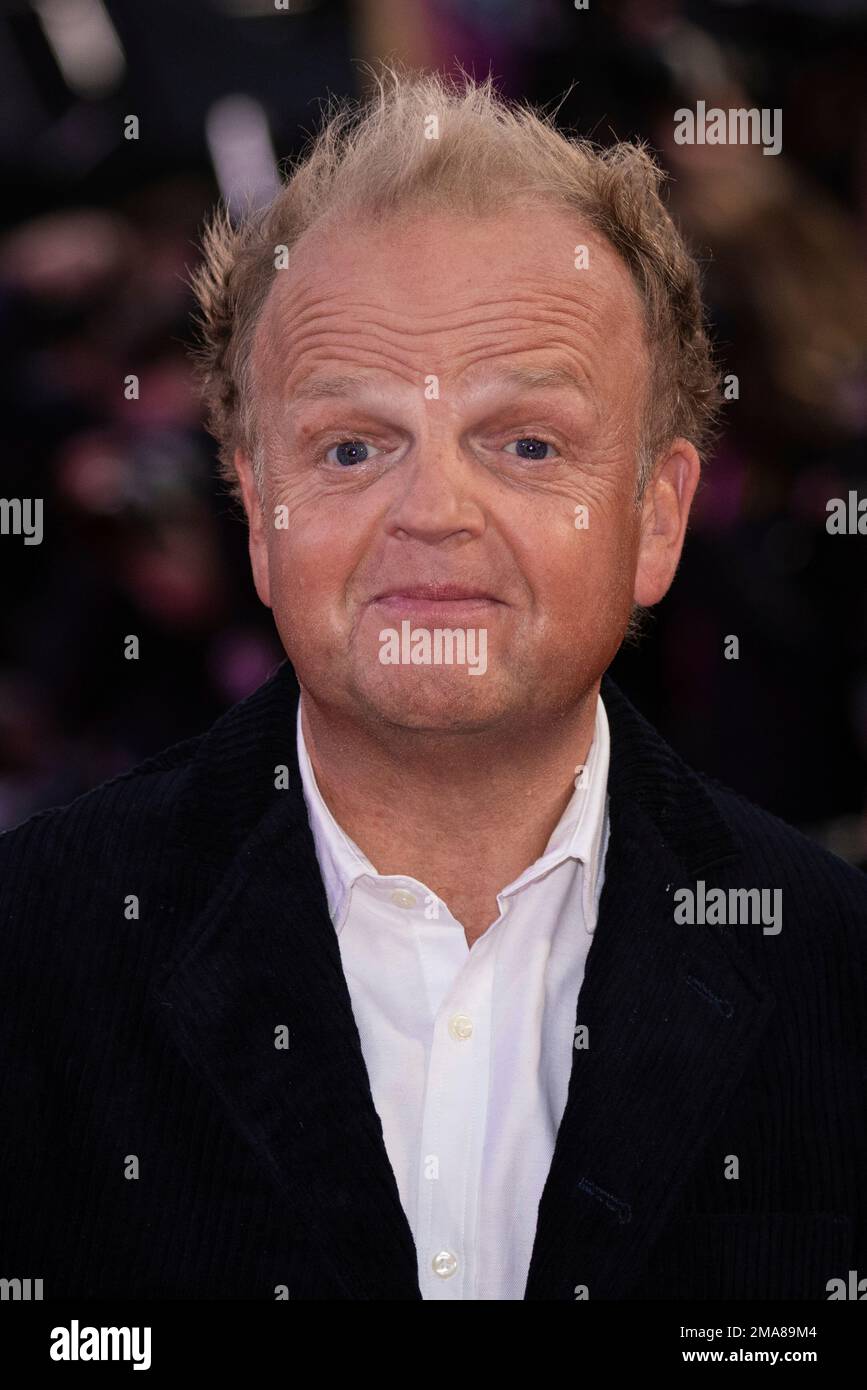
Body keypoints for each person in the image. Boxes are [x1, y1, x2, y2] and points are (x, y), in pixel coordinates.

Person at [1, 66, 865, 1302]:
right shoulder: (31, 955)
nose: (433, 515)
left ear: (659, 516)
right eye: (353, 447)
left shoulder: (837, 974)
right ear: (256, 510)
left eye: (526, 444)